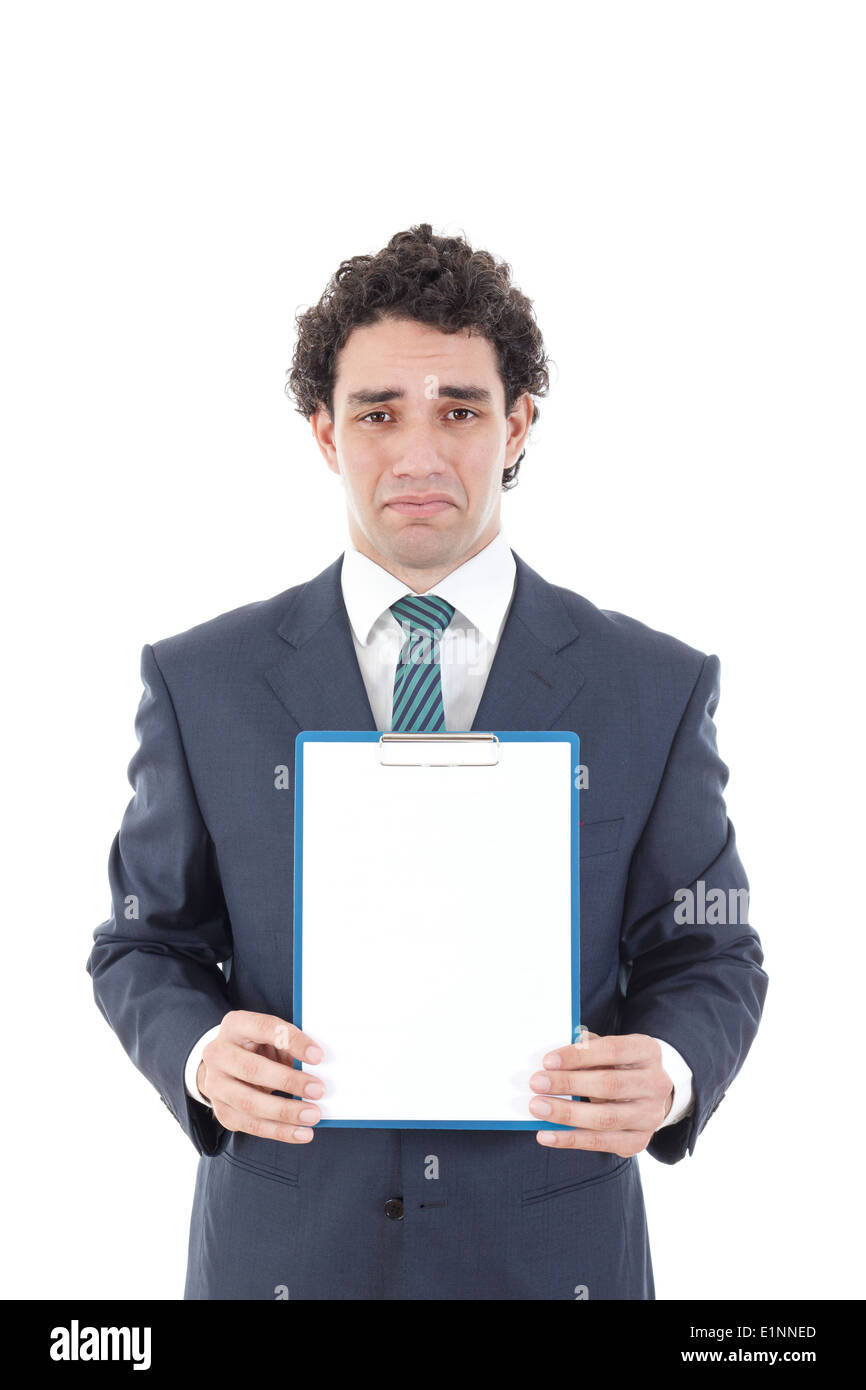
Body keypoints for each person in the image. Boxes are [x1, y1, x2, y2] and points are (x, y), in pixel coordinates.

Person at [87, 223, 768, 1300]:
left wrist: (672, 1072)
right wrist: (199, 1055)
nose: (416, 454)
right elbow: (142, 940)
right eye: (376, 413)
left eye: (459, 410)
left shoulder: (652, 683)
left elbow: (709, 950)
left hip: (552, 1253)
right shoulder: (200, 681)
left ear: (517, 424)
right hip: (284, 1255)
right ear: (322, 432)